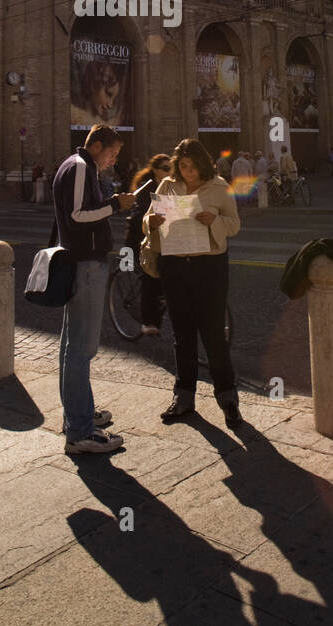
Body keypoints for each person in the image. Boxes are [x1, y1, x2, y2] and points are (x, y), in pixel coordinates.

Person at [143, 138, 242, 429]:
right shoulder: (167, 186)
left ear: (203, 163)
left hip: (209, 266)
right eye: (182, 166)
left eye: (192, 166)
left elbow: (234, 225)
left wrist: (213, 220)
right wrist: (152, 222)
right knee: (182, 335)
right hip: (174, 266)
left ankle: (228, 400)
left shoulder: (220, 187)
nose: (187, 171)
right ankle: (183, 398)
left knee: (213, 335)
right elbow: (147, 219)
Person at [52, 124, 136, 455]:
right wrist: (116, 205)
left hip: (81, 263)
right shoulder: (80, 167)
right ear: (97, 146)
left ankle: (78, 415)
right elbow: (76, 216)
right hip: (85, 264)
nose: (113, 161)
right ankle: (80, 431)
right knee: (80, 348)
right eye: (112, 154)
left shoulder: (76, 166)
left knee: (72, 347)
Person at [126, 154, 171, 335]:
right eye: (166, 168)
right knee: (150, 275)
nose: (170, 172)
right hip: (139, 240)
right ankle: (148, 321)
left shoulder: (170, 187)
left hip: (164, 239)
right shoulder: (148, 188)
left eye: (172, 168)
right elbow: (139, 216)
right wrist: (151, 220)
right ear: (155, 170)